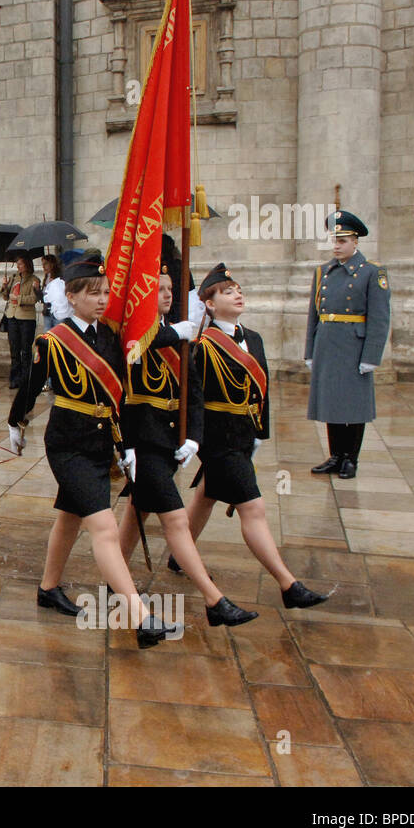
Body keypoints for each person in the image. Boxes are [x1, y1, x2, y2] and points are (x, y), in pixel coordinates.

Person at [8, 253, 178, 648]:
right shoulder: (52, 340)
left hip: (102, 444)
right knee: (102, 526)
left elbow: (123, 396)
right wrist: (15, 423)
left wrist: (127, 446)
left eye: (105, 293)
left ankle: (48, 588)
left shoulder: (111, 339)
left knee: (70, 517)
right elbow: (31, 387)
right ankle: (140, 615)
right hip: (67, 445)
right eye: (92, 293)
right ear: (71, 295)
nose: (102, 300)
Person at [116, 266, 258, 627]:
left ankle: (114, 584)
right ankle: (214, 601)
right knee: (176, 520)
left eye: (169, 289)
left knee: (137, 514)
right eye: (158, 289)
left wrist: (193, 437)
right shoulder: (132, 338)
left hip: (168, 444)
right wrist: (126, 447)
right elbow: (124, 395)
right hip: (142, 444)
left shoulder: (181, 339)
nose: (166, 295)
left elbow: (193, 395)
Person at [183, 263, 330, 610]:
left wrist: (260, 432)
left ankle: (180, 553)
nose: (237, 294)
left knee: (207, 495)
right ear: (209, 303)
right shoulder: (203, 346)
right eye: (227, 291)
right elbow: (195, 399)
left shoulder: (255, 338)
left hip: (243, 434)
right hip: (218, 439)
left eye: (238, 289)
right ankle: (288, 584)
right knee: (254, 507)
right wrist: (193, 439)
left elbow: (261, 390)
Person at [306, 210, 391, 480]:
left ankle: (350, 458)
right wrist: (310, 350)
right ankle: (335, 455)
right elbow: (314, 315)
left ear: (355, 241)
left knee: (353, 405)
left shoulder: (372, 273)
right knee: (331, 400)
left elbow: (379, 318)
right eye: (334, 239)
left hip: (355, 345)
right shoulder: (323, 272)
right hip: (328, 343)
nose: (336, 245)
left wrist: (372, 356)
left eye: (342, 240)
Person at [0, 253, 41, 390]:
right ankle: (14, 378)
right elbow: (6, 297)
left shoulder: (34, 279)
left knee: (26, 350)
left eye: (21, 264)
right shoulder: (14, 278)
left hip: (26, 318)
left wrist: (19, 298)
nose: (18, 266)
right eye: (17, 264)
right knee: (14, 349)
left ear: (27, 265)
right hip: (12, 317)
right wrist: (4, 286)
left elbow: (33, 299)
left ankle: (26, 378)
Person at [38, 253, 62, 332]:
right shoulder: (46, 278)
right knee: (47, 334)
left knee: (58, 334)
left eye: (46, 264)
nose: (43, 266)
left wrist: (56, 285)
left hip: (58, 311)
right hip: (47, 311)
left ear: (52, 264)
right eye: (42, 264)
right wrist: (37, 289)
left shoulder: (60, 277)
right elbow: (43, 298)